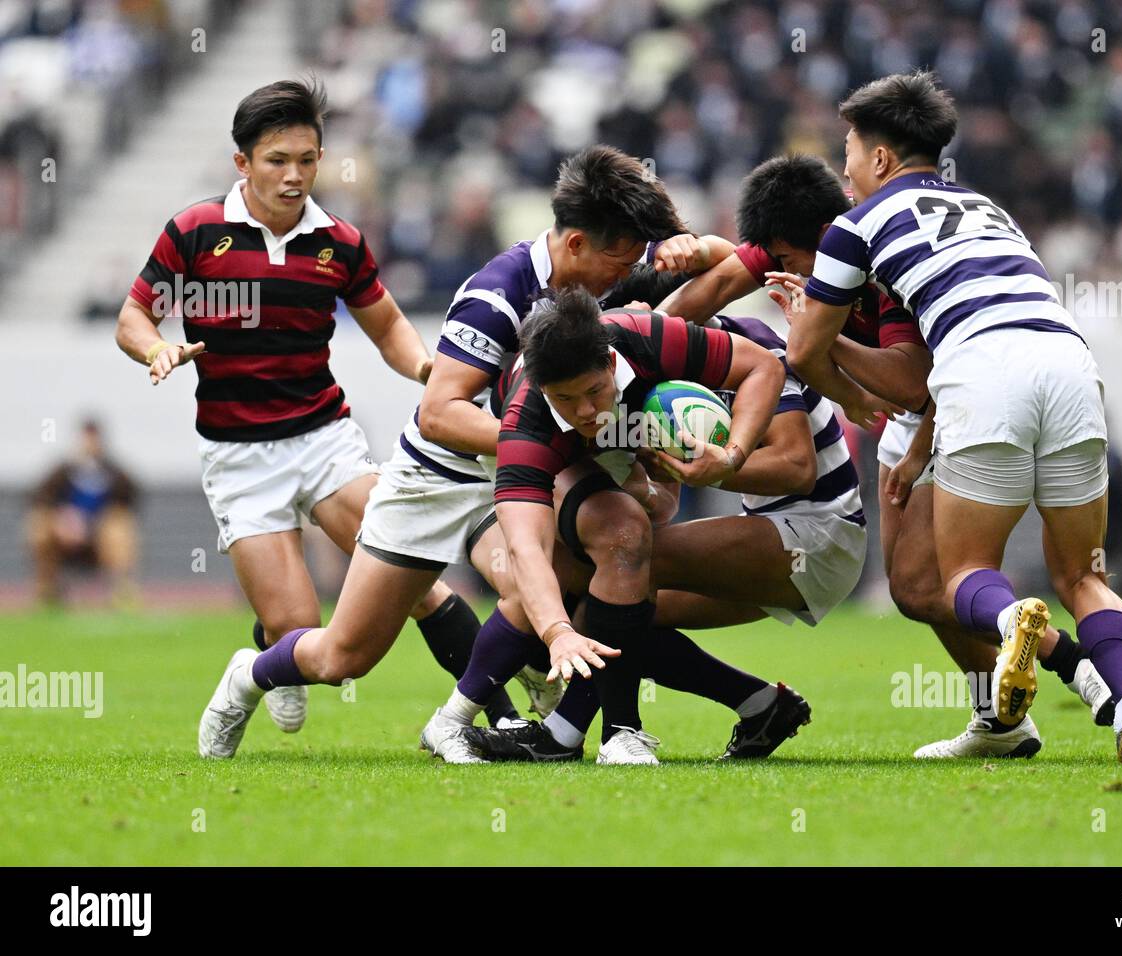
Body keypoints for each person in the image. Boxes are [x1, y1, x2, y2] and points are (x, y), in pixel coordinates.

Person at [195, 145, 734, 762]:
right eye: (621, 258)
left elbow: (729, 268)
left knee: (594, 564)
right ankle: (250, 674)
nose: (629, 272)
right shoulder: (498, 292)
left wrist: (699, 246)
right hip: (438, 477)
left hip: (524, 479)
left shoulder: (606, 273)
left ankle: (585, 726)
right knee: (345, 656)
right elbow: (440, 413)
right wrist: (551, 444)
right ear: (578, 243)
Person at [659, 156, 1114, 757]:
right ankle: (1003, 720)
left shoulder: (877, 265)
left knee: (937, 579)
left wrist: (820, 336)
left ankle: (1061, 656)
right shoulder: (793, 242)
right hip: (912, 416)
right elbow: (717, 286)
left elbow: (909, 385)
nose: (784, 272)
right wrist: (637, 336)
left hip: (952, 405)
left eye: (791, 260)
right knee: (913, 589)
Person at [796, 70, 1122, 764]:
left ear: (880, 158)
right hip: (1070, 363)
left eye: (847, 150)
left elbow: (807, 352)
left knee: (960, 574)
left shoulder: (857, 222)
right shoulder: (989, 208)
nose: (843, 169)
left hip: (981, 373)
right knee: (1085, 576)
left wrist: (853, 394)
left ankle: (1014, 622)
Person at [116, 78, 486, 747]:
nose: (293, 176)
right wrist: (156, 348)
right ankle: (258, 665)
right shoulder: (197, 234)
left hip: (326, 442)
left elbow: (390, 328)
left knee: (418, 581)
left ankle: (499, 715)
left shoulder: (338, 241)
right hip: (239, 457)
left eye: (307, 160)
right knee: (297, 631)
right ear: (243, 164)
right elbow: (133, 315)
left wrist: (430, 369)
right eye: (276, 160)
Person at [474, 289, 783, 764]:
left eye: (594, 391)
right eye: (564, 398)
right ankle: (486, 719)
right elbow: (525, 548)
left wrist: (731, 457)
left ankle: (591, 733)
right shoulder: (526, 424)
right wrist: (558, 633)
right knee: (603, 565)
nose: (583, 411)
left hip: (641, 456)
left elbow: (764, 366)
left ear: (612, 360)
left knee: (623, 572)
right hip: (544, 468)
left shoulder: (649, 338)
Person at [27, 420, 139, 607]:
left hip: (100, 536)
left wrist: (98, 520)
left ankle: (122, 592)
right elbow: (38, 497)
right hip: (64, 535)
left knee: (119, 526)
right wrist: (62, 518)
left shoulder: (113, 472)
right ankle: (47, 591)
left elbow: (131, 498)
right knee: (38, 525)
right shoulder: (64, 471)